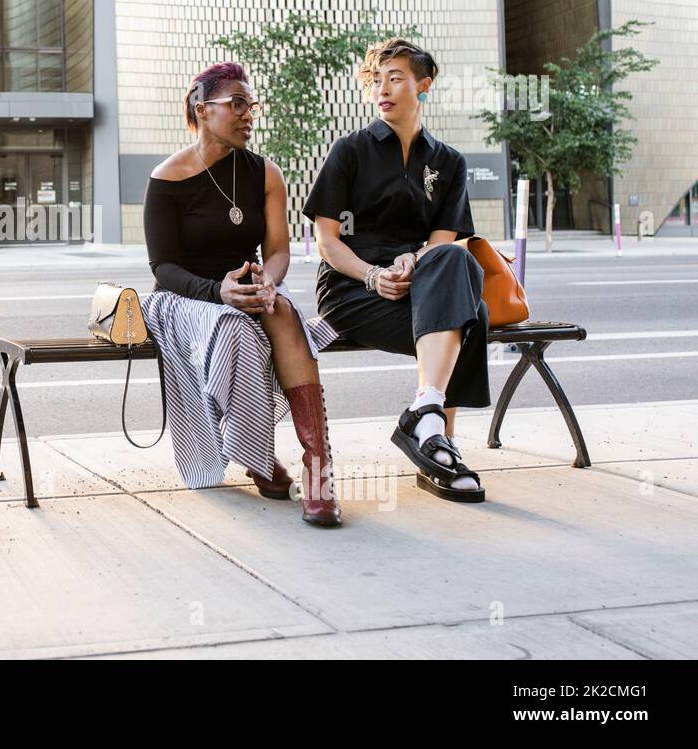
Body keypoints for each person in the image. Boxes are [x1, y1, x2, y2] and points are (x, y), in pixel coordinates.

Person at [142, 62, 341, 527]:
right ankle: (259, 457)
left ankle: (318, 470)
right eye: (236, 103)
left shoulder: (265, 173)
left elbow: (277, 250)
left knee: (283, 311)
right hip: (184, 298)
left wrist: (269, 280)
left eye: (251, 104)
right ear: (202, 109)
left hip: (248, 284)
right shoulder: (166, 179)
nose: (248, 113)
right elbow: (162, 267)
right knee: (236, 330)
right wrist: (218, 291)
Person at [302, 37, 489, 502]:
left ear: (423, 86)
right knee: (471, 316)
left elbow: (444, 241)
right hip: (352, 290)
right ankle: (435, 437)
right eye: (376, 80)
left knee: (455, 261)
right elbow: (326, 241)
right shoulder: (351, 151)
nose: (382, 88)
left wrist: (413, 260)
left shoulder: (448, 162)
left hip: (417, 285)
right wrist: (372, 274)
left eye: (396, 78)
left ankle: (427, 423)